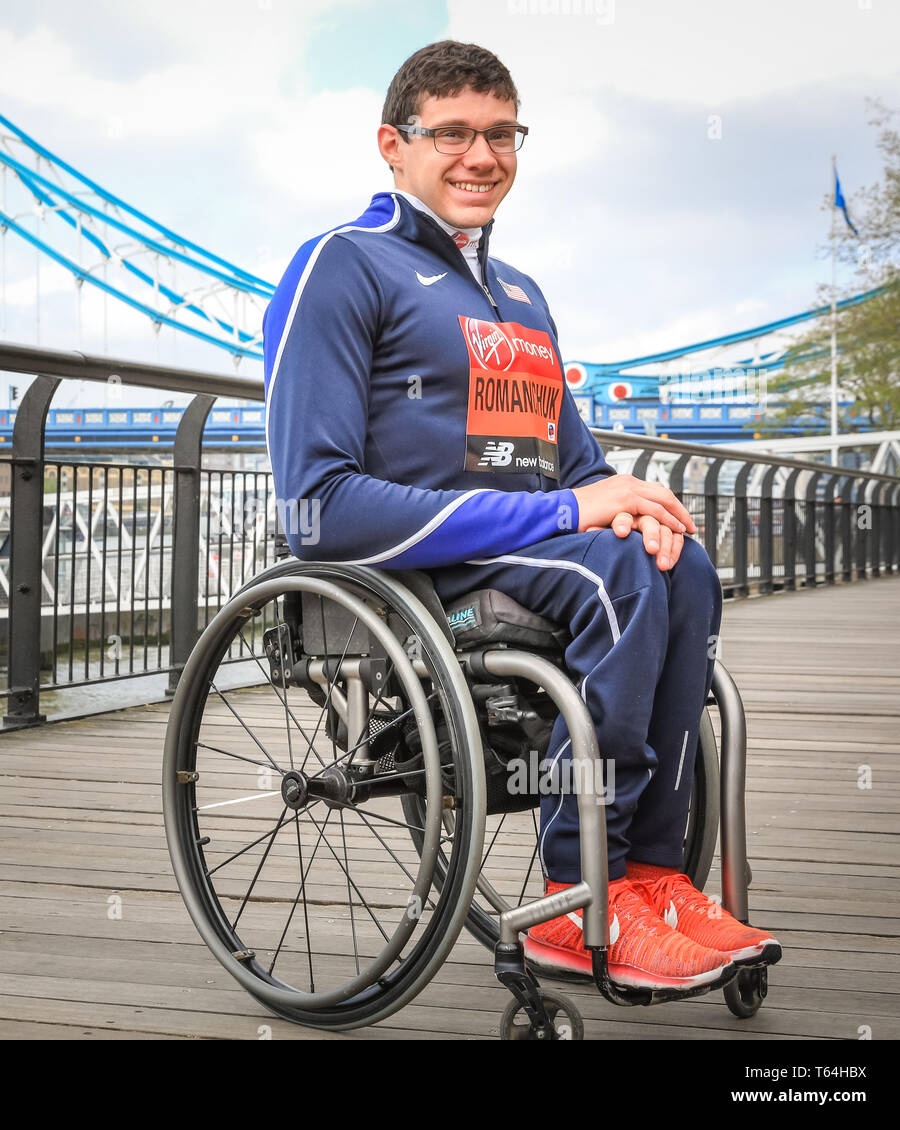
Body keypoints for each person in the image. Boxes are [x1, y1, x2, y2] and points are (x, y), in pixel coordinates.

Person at [261, 40, 779, 995]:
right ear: (392, 143)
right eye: (451, 133)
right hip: (419, 581)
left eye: (502, 135)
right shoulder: (343, 266)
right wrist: (578, 511)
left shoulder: (522, 297)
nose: (481, 156)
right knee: (619, 573)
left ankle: (653, 880)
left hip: (529, 558)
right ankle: (581, 890)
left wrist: (642, 505)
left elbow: (574, 468)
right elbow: (315, 506)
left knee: (682, 564)